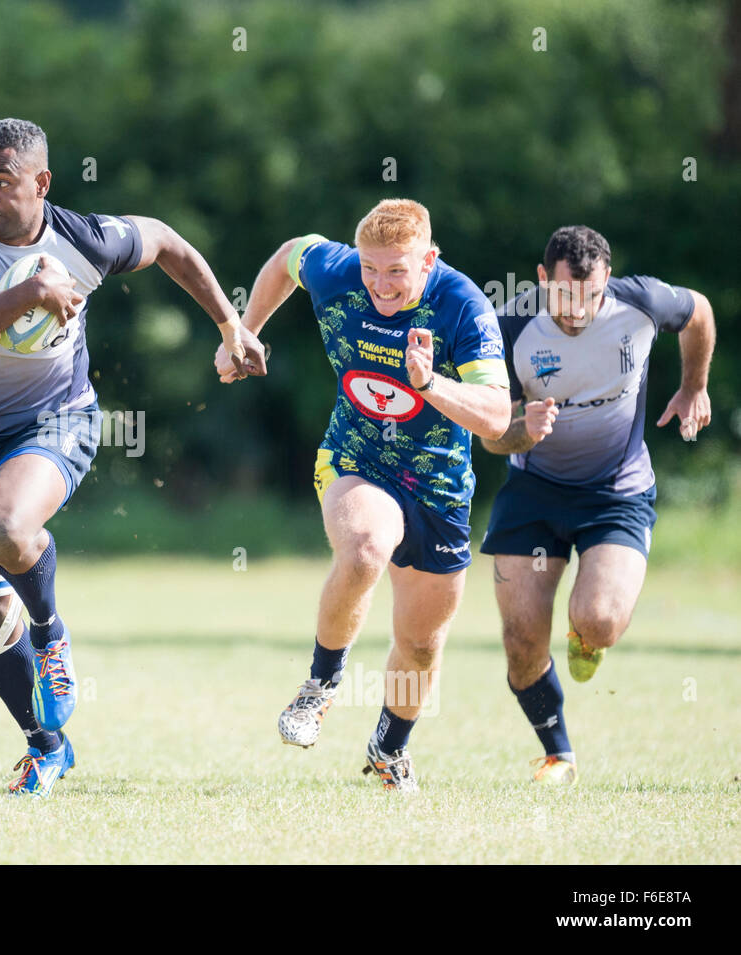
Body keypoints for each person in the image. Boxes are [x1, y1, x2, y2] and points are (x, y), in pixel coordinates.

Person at [0, 117, 266, 797]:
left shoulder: (82, 237)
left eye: (4, 181)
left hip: (57, 421)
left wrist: (231, 324)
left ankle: (51, 633)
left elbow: (166, 240)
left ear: (41, 183)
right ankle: (47, 746)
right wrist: (28, 293)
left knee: (6, 527)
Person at [218, 199, 511, 791]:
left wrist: (430, 384)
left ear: (429, 259)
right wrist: (244, 331)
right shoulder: (338, 269)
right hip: (356, 458)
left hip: (438, 483)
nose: (379, 285)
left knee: (422, 645)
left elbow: (498, 416)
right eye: (370, 269)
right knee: (365, 548)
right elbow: (286, 257)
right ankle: (320, 685)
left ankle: (388, 749)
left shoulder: (464, 307)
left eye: (397, 271)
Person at [479, 225, 714, 784]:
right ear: (542, 280)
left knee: (600, 620)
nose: (579, 310)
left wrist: (694, 386)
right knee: (521, 644)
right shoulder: (509, 324)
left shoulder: (641, 302)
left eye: (591, 296)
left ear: (608, 280)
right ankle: (558, 754)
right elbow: (490, 437)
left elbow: (699, 311)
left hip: (617, 492)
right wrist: (519, 429)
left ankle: (588, 635)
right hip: (534, 493)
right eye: (565, 295)